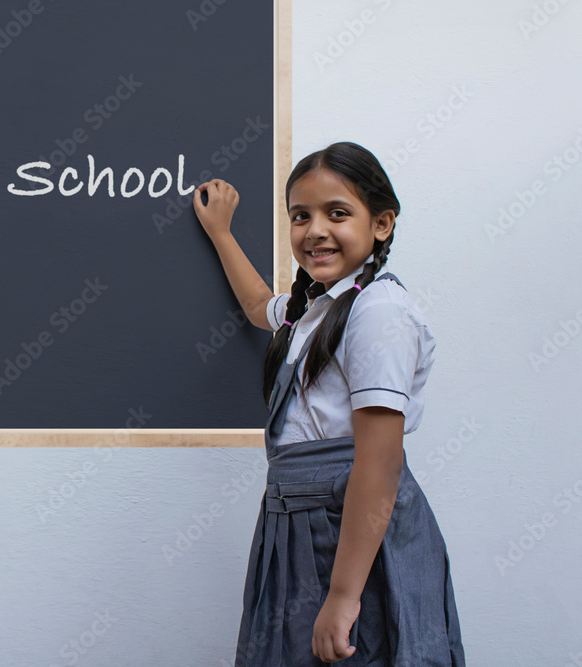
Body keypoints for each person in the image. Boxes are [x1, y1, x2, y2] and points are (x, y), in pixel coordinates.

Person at [192, 141, 465, 665]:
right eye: (301, 216)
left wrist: (343, 597)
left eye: (337, 213)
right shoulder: (315, 307)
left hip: (347, 527)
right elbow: (255, 306)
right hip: (297, 520)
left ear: (381, 223)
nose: (315, 230)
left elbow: (380, 465)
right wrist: (221, 232)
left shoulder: (378, 311)